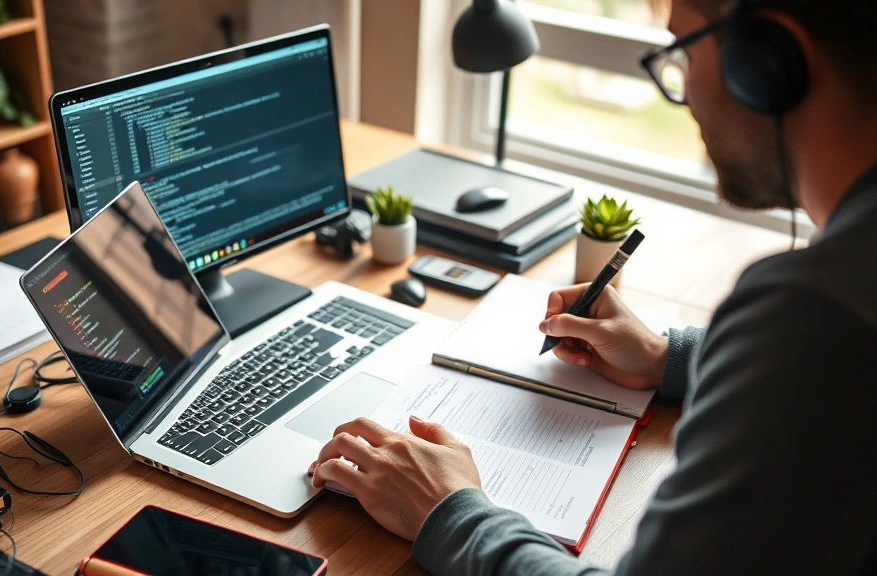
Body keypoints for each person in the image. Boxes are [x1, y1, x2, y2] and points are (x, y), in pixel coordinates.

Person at [307, 0, 877, 573]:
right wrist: (668, 357)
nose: (679, 95)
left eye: (683, 52)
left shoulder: (814, 316)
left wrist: (449, 512)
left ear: (767, 64)